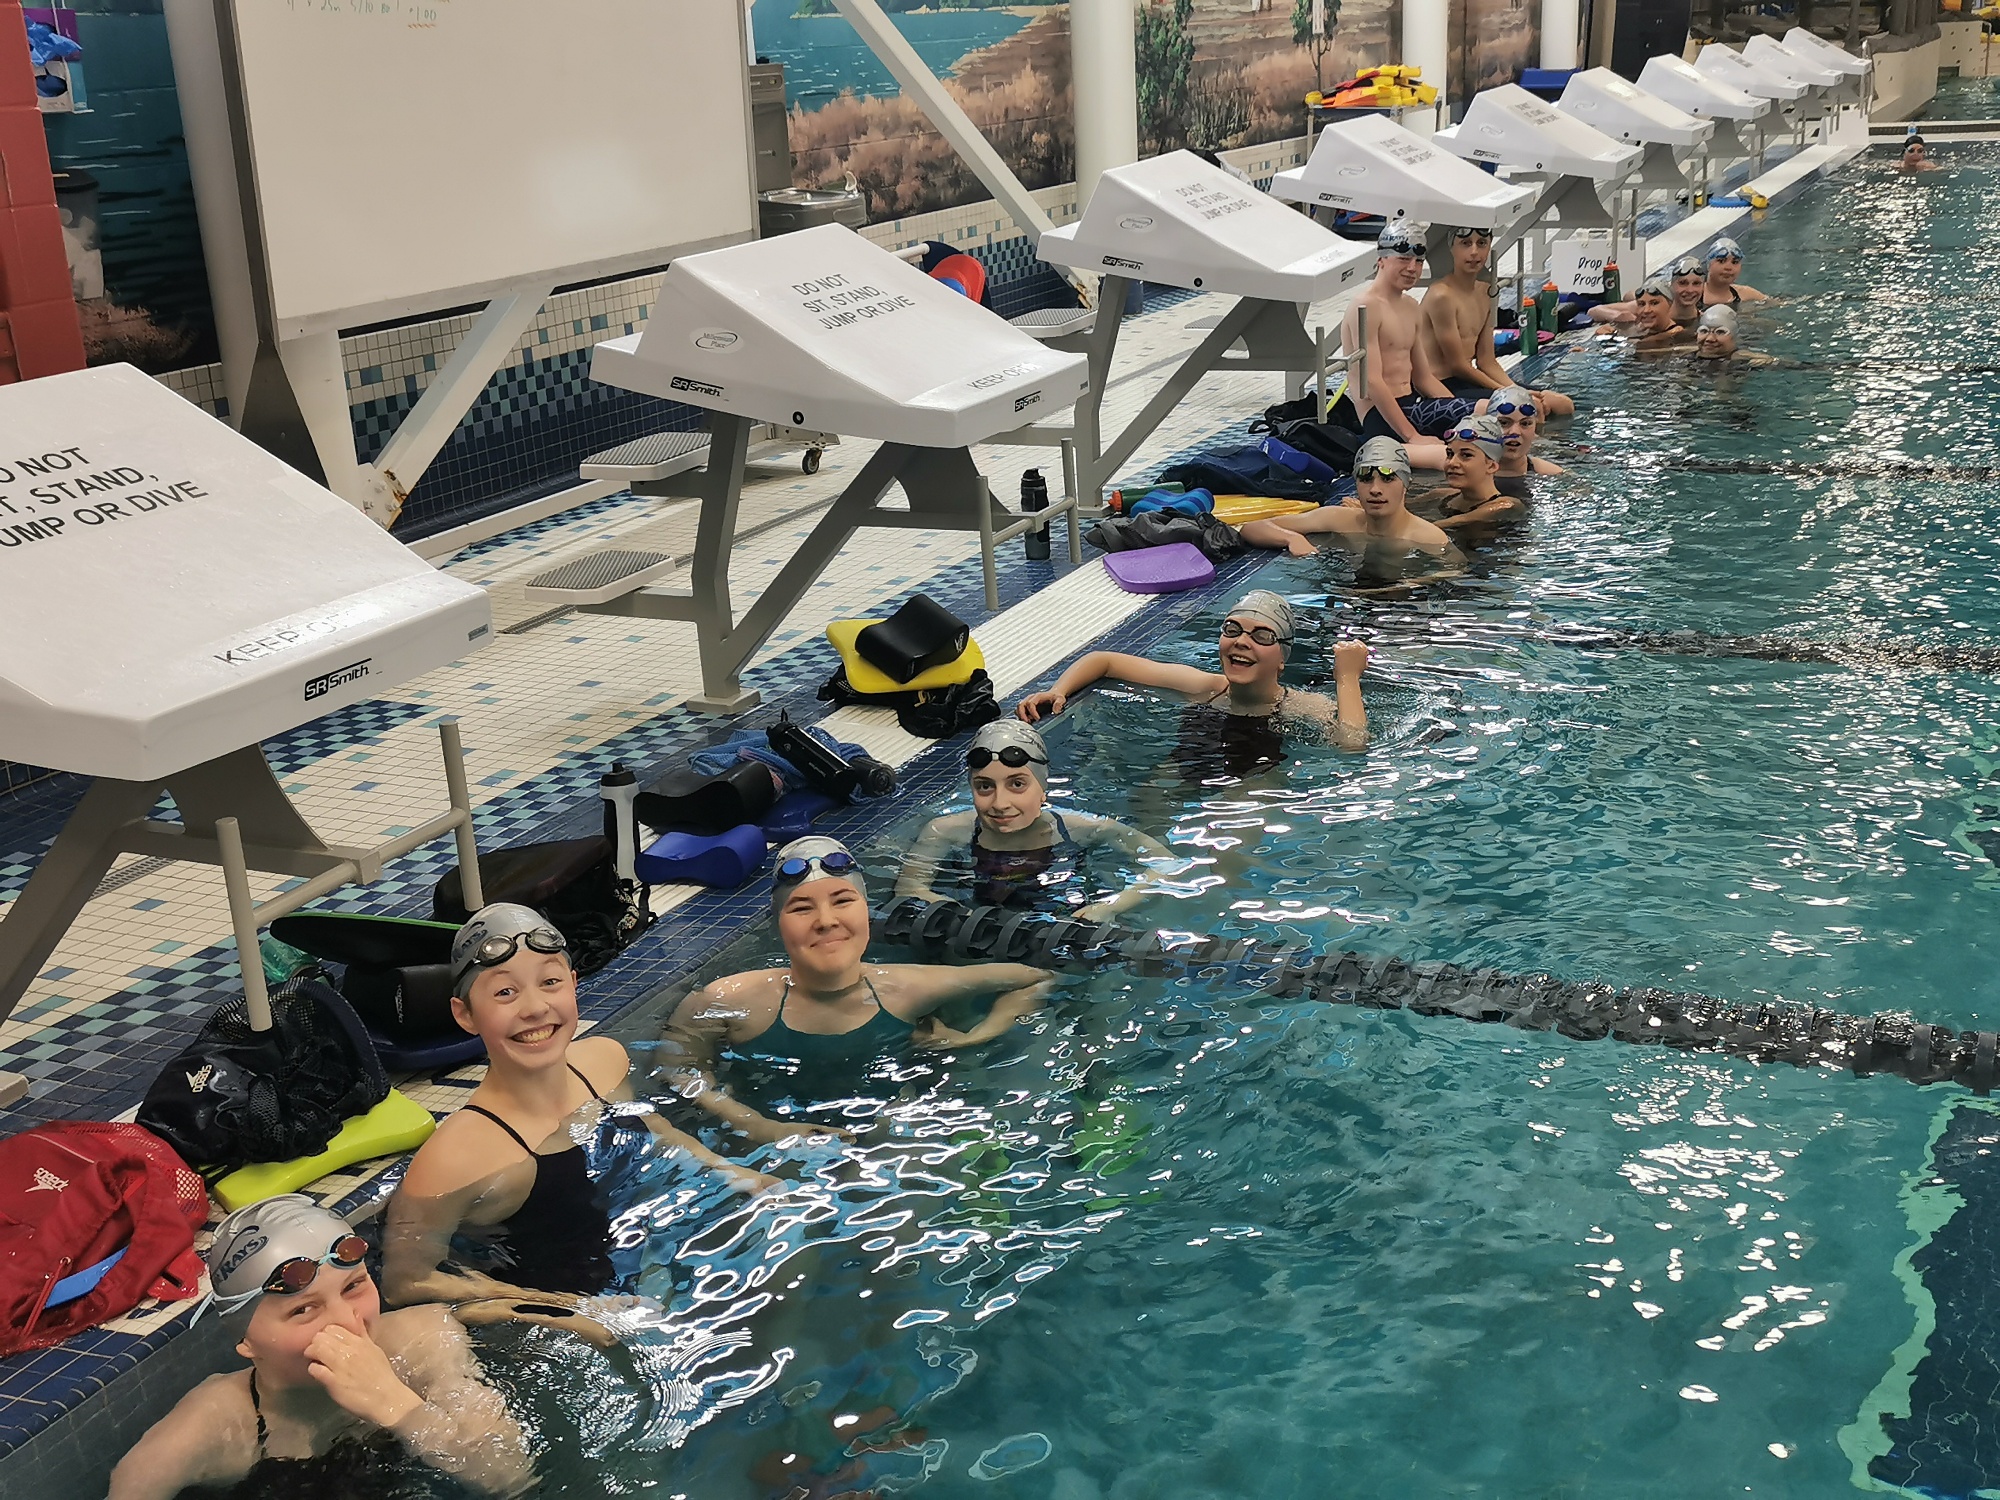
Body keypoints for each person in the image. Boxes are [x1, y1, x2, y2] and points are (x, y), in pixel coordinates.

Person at [382, 904, 774, 1330]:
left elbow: (651, 1125)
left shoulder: (603, 1061)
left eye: (549, 982)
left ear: (572, 985)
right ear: (465, 1015)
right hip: (557, 1323)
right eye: (504, 993)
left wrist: (731, 1172)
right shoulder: (455, 1158)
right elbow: (406, 1283)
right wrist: (564, 1309)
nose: (534, 1008)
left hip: (651, 1263)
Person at [109, 1196, 534, 1500]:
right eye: (303, 1310)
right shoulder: (212, 1431)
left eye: (354, 1287)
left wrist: (398, 1405)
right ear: (246, 1342)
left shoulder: (424, 1340)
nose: (349, 1322)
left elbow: (510, 1475)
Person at [660, 838, 1057, 1135]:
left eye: (842, 900)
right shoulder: (728, 999)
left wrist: (975, 1036)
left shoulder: (908, 989)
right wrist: (755, 1125)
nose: (826, 920)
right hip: (767, 1149)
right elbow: (674, 1066)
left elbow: (1034, 977)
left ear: (867, 913)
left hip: (890, 1139)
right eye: (801, 907)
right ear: (777, 923)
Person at [1017, 589, 1369, 763]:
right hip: (1190, 768)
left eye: (1262, 636)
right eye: (1233, 629)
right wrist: (1058, 690)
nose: (1242, 643)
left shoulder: (1301, 706)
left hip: (1256, 783)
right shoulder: (1206, 687)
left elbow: (1352, 744)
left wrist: (1347, 679)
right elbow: (1105, 660)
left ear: (1282, 659)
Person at [896, 720, 1176, 922]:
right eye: (984, 786)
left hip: (1063, 927)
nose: (1000, 803)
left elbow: (1167, 864)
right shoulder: (944, 831)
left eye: (1017, 784)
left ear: (1043, 789)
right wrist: (957, 913)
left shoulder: (1081, 829)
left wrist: (1112, 906)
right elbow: (909, 890)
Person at [1344, 219, 1483, 465]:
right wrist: (1413, 436)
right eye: (1403, 259)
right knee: (1457, 459)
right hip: (1380, 418)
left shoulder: (1410, 306)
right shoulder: (1365, 307)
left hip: (1413, 407)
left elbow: (1423, 378)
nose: (1412, 268)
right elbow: (1372, 382)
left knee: (1499, 415)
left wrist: (1460, 413)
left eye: (1418, 261)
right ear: (1381, 260)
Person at [1239, 436, 1461, 587]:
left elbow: (1457, 574)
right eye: (1365, 479)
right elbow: (1250, 528)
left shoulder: (1430, 538)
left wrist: (1409, 584)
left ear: (1406, 484)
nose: (1375, 489)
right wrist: (1291, 539)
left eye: (1387, 479)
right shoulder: (1336, 518)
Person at [1418, 225, 1577, 416]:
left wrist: (1515, 390)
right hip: (1443, 385)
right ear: (1452, 249)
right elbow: (1457, 365)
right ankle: (1541, 444)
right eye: (1465, 244)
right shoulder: (1441, 296)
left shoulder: (1486, 293)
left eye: (1482, 243)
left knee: (1562, 405)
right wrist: (1509, 393)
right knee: (1528, 409)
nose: (1474, 252)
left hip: (1470, 379)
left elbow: (1486, 361)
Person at [1428, 416, 1525, 532]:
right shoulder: (1442, 496)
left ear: (1491, 466)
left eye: (1466, 455)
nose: (1452, 462)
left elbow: (1454, 521)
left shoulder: (1505, 505)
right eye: (1450, 454)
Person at [1487, 386, 1564, 500]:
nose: (1515, 432)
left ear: (1535, 429)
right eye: (1504, 423)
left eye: (1525, 423)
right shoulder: (1462, 471)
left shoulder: (1552, 474)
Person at [1691, 303, 1784, 367]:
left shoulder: (1742, 358)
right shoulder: (1686, 353)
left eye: (1720, 332)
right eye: (1704, 331)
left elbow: (1793, 365)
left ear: (1734, 336)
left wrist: (1772, 360)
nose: (1710, 338)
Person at [1702, 237, 1769, 306]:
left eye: (1734, 262)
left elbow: (1776, 303)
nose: (1728, 267)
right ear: (1708, 264)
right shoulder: (1694, 294)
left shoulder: (1746, 294)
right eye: (1721, 261)